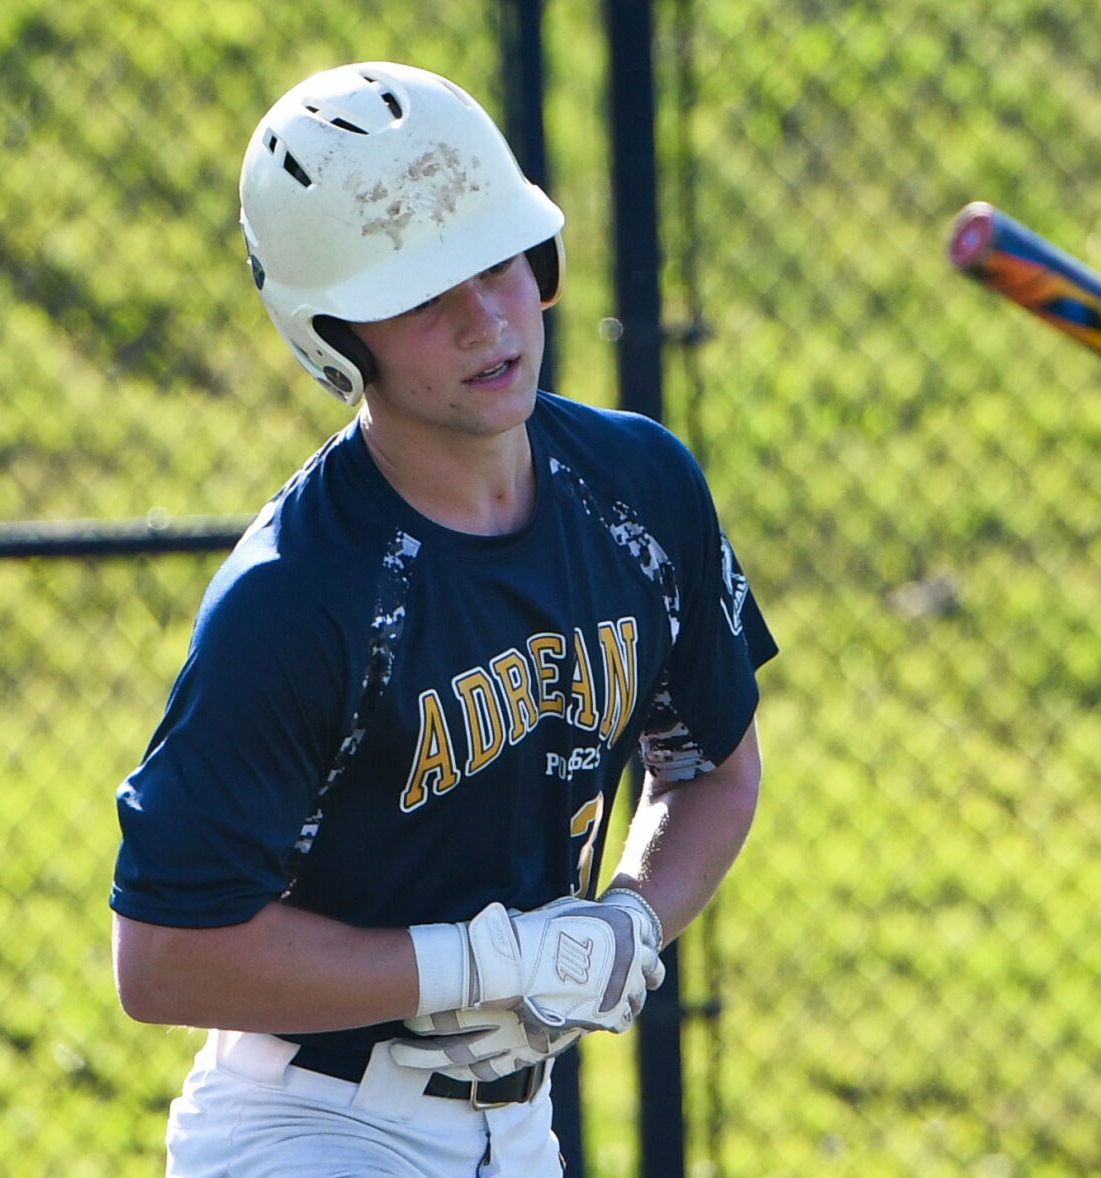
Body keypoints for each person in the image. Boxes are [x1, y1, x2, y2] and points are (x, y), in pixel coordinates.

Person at [108, 61, 776, 1177]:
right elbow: (165, 957)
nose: (484, 318)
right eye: (422, 296)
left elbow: (712, 766)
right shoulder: (299, 594)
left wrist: (625, 924)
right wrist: (475, 962)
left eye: (498, 261)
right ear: (336, 334)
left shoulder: (639, 491)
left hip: (518, 1128)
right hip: (312, 1125)